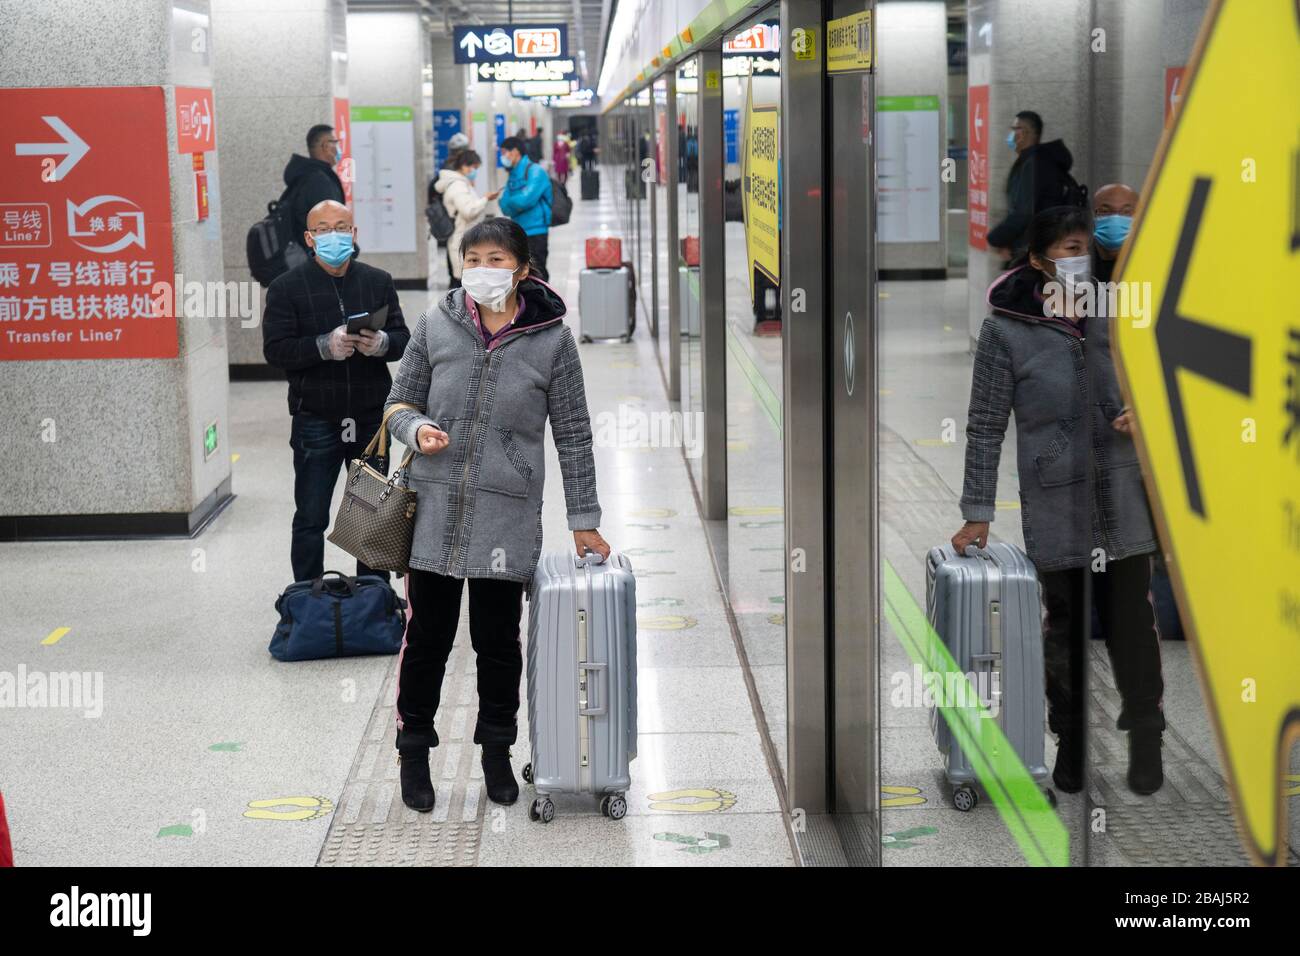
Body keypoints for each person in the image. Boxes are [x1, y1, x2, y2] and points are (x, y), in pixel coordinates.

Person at [383, 217, 609, 811]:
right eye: (474, 258)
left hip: (505, 516)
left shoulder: (552, 341)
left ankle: (496, 752)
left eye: (497, 259)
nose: (484, 269)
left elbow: (575, 434)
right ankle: (413, 753)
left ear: (523, 269)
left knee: (497, 643)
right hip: (435, 507)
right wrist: (418, 427)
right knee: (426, 637)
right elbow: (397, 403)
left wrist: (583, 515)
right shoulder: (436, 324)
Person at [952, 205, 1166, 797]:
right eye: (1069, 248)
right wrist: (978, 512)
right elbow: (986, 423)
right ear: (1040, 258)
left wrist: (1144, 412)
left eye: (1085, 248)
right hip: (1057, 502)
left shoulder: (1117, 309)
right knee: (1066, 627)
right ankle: (1069, 740)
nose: (1081, 259)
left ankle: (1147, 734)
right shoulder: (1006, 329)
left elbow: (1162, 380)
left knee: (1133, 624)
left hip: (1123, 491)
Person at [262, 199, 411, 585]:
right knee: (312, 515)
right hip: (316, 416)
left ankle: (373, 595)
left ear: (355, 234)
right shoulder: (285, 289)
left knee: (370, 512)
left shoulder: (376, 281)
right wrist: (321, 347)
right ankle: (306, 597)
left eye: (342, 227)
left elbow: (403, 339)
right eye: (324, 229)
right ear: (310, 238)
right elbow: (276, 351)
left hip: (369, 414)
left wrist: (381, 344)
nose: (334, 235)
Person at [987, 111, 1076, 260]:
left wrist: (995, 238)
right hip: (1035, 247)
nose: (1012, 134)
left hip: (1036, 250)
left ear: (1025, 133)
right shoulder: (1035, 161)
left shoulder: (1035, 164)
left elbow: (1023, 212)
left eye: (1015, 129)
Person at [433, 150, 501, 289]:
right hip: (461, 241)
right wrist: (485, 199)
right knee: (462, 286)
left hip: (466, 239)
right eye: (474, 167)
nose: (475, 171)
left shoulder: (461, 183)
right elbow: (469, 211)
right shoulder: (458, 186)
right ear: (465, 166)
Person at [283, 125, 346, 259]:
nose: (337, 149)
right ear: (325, 146)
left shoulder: (306, 176)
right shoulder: (319, 181)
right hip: (317, 261)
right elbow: (330, 224)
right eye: (334, 143)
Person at [497, 135, 553, 282]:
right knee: (523, 274)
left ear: (515, 151)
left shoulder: (535, 171)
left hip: (536, 231)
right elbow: (504, 206)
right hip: (518, 232)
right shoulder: (513, 174)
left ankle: (544, 303)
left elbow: (525, 200)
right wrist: (515, 204)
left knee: (538, 272)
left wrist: (513, 203)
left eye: (504, 153)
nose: (502, 157)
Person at [1090, 182, 1139, 282]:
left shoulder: (1151, 260)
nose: (1115, 218)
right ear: (1092, 215)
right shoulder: (1078, 259)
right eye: (1105, 211)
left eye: (1126, 212)